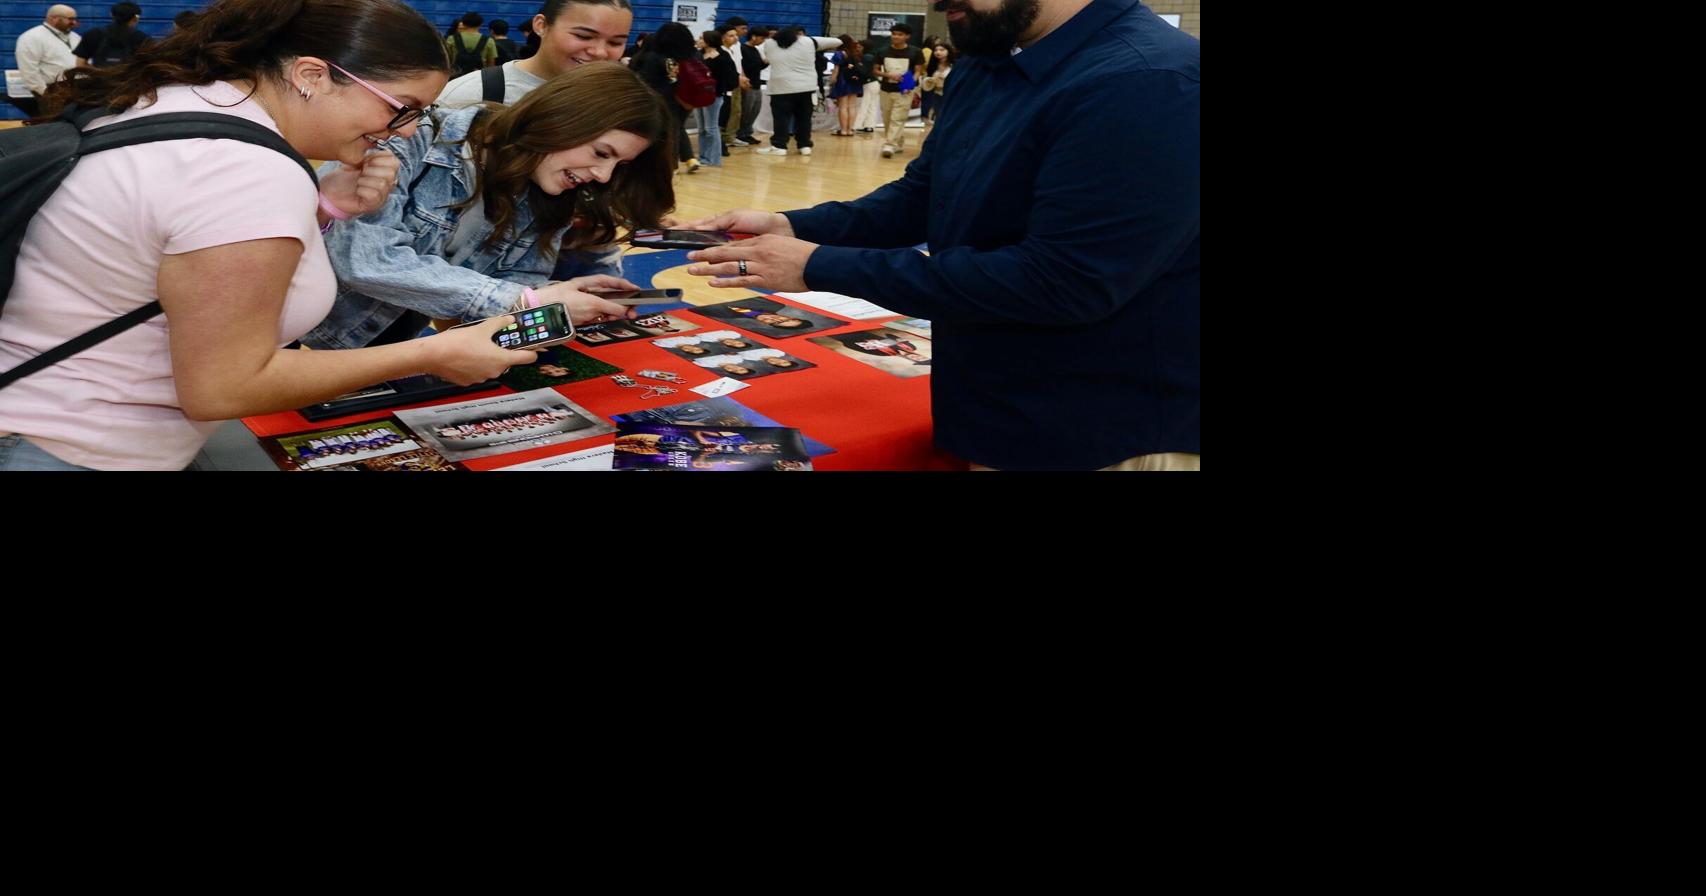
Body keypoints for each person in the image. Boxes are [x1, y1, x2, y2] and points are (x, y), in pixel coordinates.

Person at [0, 0, 526, 472]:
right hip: (66, 446)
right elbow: (225, 385)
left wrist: (323, 207)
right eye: (400, 106)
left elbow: (167, 257)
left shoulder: (184, 103)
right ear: (312, 75)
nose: (408, 129)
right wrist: (431, 354)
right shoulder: (248, 171)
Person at [681, 0, 1200, 471]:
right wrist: (795, 225)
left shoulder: (1148, 79)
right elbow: (926, 196)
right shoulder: (989, 60)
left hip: (1104, 432)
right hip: (1001, 411)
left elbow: (1065, 280)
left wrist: (817, 264)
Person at [301, 62, 676, 351]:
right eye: (601, 153)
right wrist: (527, 301)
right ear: (562, 119)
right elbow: (366, 262)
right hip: (297, 344)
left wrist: (561, 301)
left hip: (390, 355)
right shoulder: (411, 140)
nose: (604, 175)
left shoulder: (549, 196)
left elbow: (498, 306)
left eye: (619, 165)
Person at [435, 0, 631, 108]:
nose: (599, 52)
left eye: (616, 42)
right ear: (541, 25)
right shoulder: (468, 95)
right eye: (583, 36)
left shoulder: (623, 104)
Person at [753, 26, 838, 156]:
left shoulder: (769, 43)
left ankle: (779, 146)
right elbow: (837, 42)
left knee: (781, 119)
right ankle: (804, 146)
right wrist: (810, 41)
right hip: (806, 88)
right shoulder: (808, 41)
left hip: (780, 88)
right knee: (804, 118)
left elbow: (757, 51)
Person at [629, 21, 698, 174]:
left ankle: (667, 166)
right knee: (675, 130)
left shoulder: (652, 57)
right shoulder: (691, 56)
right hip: (685, 99)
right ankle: (680, 162)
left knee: (662, 134)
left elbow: (646, 81)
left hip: (659, 101)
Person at [12, 5, 81, 117]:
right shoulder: (31, 37)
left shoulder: (75, 37)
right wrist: (46, 95)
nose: (74, 23)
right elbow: (29, 71)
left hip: (75, 92)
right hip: (52, 93)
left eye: (75, 19)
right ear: (53, 18)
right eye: (70, 19)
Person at [874, 22, 924, 159]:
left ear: (907, 36)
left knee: (898, 117)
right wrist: (888, 75)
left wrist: (910, 84)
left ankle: (889, 144)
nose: (895, 37)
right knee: (887, 118)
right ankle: (898, 142)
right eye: (894, 34)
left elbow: (918, 71)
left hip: (904, 90)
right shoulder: (882, 51)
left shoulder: (915, 52)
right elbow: (875, 70)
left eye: (899, 34)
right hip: (885, 89)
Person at [73, 2, 147, 69]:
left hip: (100, 82)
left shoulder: (93, 34)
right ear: (135, 18)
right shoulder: (142, 38)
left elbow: (80, 64)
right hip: (129, 82)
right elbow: (150, 67)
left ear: (111, 15)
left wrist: (101, 73)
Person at [828, 34, 865, 137]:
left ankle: (843, 130)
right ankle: (850, 130)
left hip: (843, 81)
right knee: (852, 106)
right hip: (855, 81)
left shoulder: (839, 54)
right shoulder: (856, 53)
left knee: (843, 107)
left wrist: (832, 81)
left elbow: (836, 70)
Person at [445, 11, 496, 78]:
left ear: (463, 23)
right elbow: (491, 64)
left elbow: (446, 60)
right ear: (480, 24)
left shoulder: (451, 39)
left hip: (456, 78)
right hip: (478, 78)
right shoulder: (489, 41)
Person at [921, 43, 955, 125]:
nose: (938, 52)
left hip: (952, 95)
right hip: (937, 94)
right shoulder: (932, 65)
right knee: (939, 117)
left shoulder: (955, 65)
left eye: (942, 50)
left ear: (948, 51)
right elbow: (927, 81)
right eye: (936, 50)